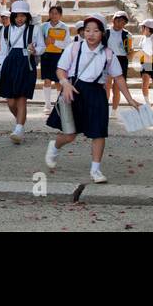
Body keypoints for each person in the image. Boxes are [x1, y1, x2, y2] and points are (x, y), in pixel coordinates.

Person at [45, 12, 142, 183]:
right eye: (87, 30)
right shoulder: (74, 48)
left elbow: (118, 78)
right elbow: (61, 69)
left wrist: (130, 99)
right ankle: (54, 146)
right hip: (74, 90)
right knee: (70, 134)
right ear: (83, 32)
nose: (90, 34)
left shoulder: (108, 54)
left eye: (95, 30)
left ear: (103, 33)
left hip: (97, 93)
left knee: (98, 133)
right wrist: (64, 83)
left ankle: (95, 170)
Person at [0, 0, 44, 143]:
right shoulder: (6, 30)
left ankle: (18, 128)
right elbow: (3, 52)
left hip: (26, 64)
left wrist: (35, 50)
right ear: (13, 16)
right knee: (10, 102)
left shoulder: (34, 29)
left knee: (21, 98)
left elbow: (42, 47)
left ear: (27, 16)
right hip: (10, 64)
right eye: (17, 15)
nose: (20, 18)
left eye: (23, 15)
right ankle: (20, 123)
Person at [38, 4, 74, 113]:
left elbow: (67, 44)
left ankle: (59, 104)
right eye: (52, 13)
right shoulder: (43, 26)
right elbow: (39, 42)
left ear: (60, 15)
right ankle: (47, 105)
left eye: (56, 13)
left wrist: (54, 42)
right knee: (47, 80)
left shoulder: (64, 27)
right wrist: (44, 42)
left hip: (59, 56)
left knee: (58, 81)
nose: (54, 15)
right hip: (46, 55)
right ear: (49, 14)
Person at [136, 18, 153, 108]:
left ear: (147, 28)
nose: (141, 29)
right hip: (145, 62)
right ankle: (147, 102)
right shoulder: (142, 39)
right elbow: (140, 50)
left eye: (142, 27)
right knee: (145, 81)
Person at [106, 11, 132, 109]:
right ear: (113, 20)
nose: (120, 23)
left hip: (121, 60)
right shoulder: (106, 32)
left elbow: (129, 51)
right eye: (118, 20)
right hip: (108, 59)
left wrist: (130, 52)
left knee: (117, 87)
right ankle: (104, 109)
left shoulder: (127, 34)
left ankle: (115, 110)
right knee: (106, 86)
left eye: (123, 21)